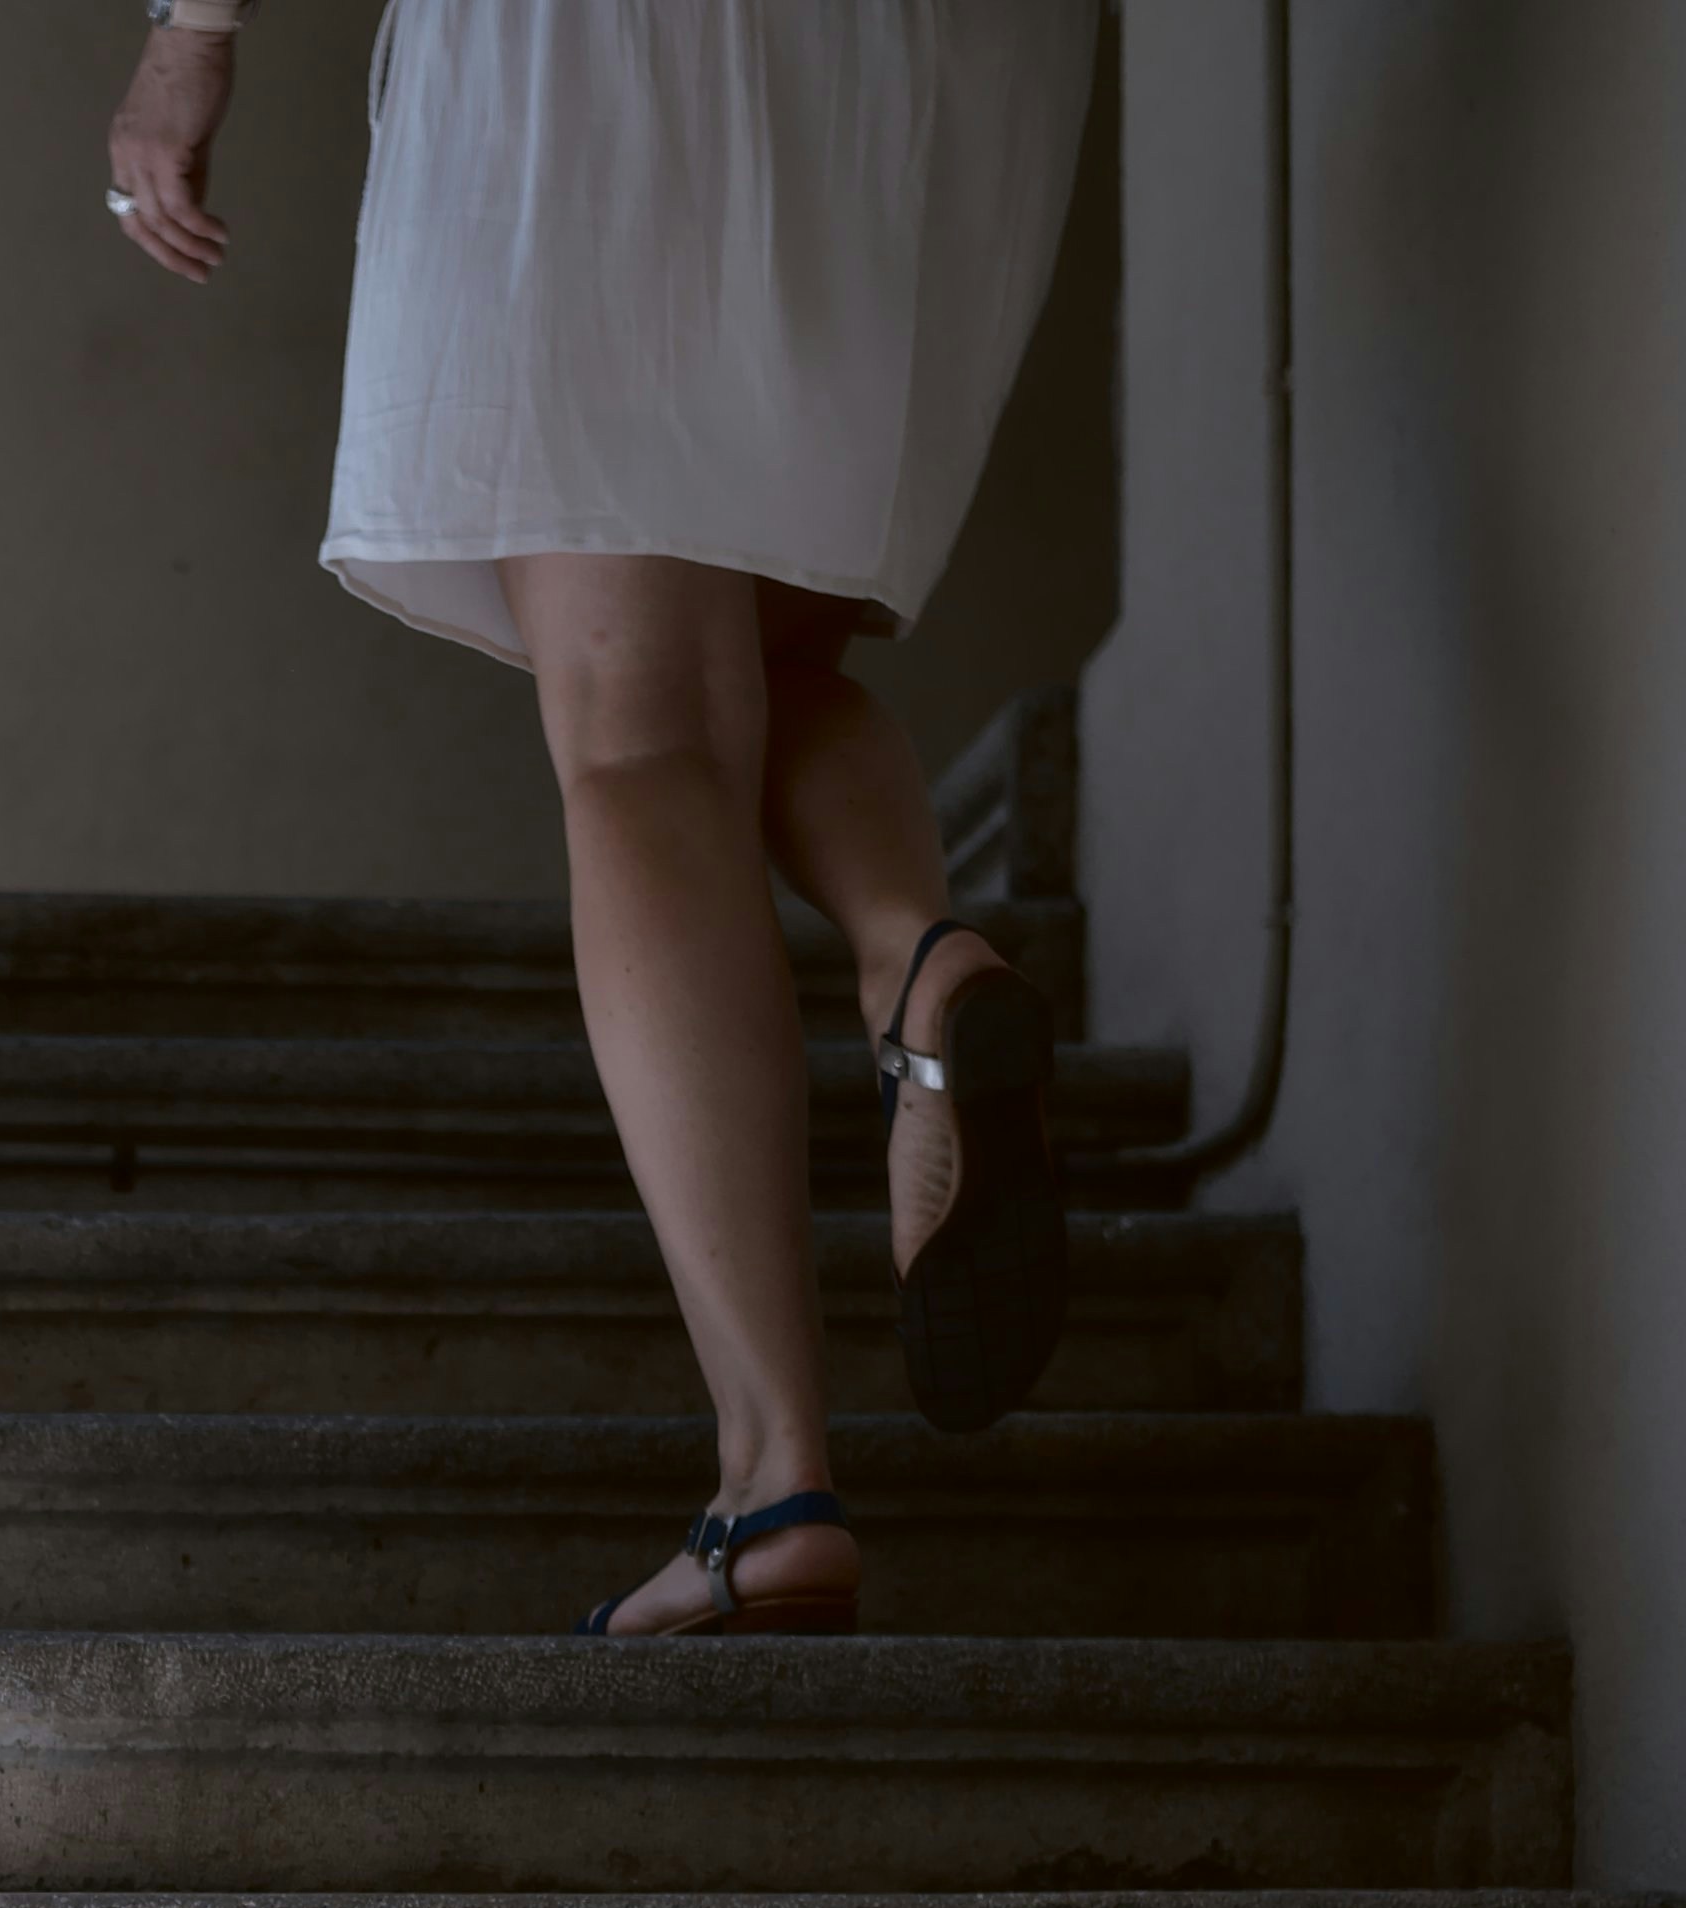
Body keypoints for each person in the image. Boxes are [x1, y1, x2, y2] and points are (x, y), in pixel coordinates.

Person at [108, 0, 1102, 1634]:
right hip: (917, 62)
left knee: (644, 738)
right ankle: (916, 963)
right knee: (757, 657)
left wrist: (189, 32)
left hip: (604, 50)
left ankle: (770, 1480)